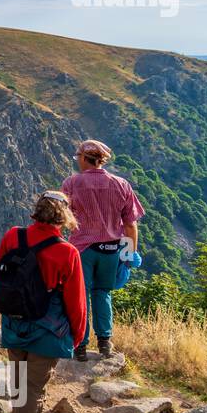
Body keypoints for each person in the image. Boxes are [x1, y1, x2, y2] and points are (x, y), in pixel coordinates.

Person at [0, 191, 87, 413]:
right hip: (48, 332)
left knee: (20, 387)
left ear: (36, 211)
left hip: (15, 324)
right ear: (63, 218)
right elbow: (76, 301)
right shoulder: (67, 252)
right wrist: (78, 335)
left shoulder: (14, 236)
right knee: (33, 391)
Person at [61, 139, 145, 361]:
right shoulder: (121, 184)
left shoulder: (71, 183)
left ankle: (80, 345)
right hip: (111, 250)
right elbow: (130, 224)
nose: (77, 160)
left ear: (83, 158)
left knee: (82, 296)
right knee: (103, 294)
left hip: (82, 250)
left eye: (78, 157)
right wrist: (128, 254)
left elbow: (62, 218)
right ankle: (105, 343)